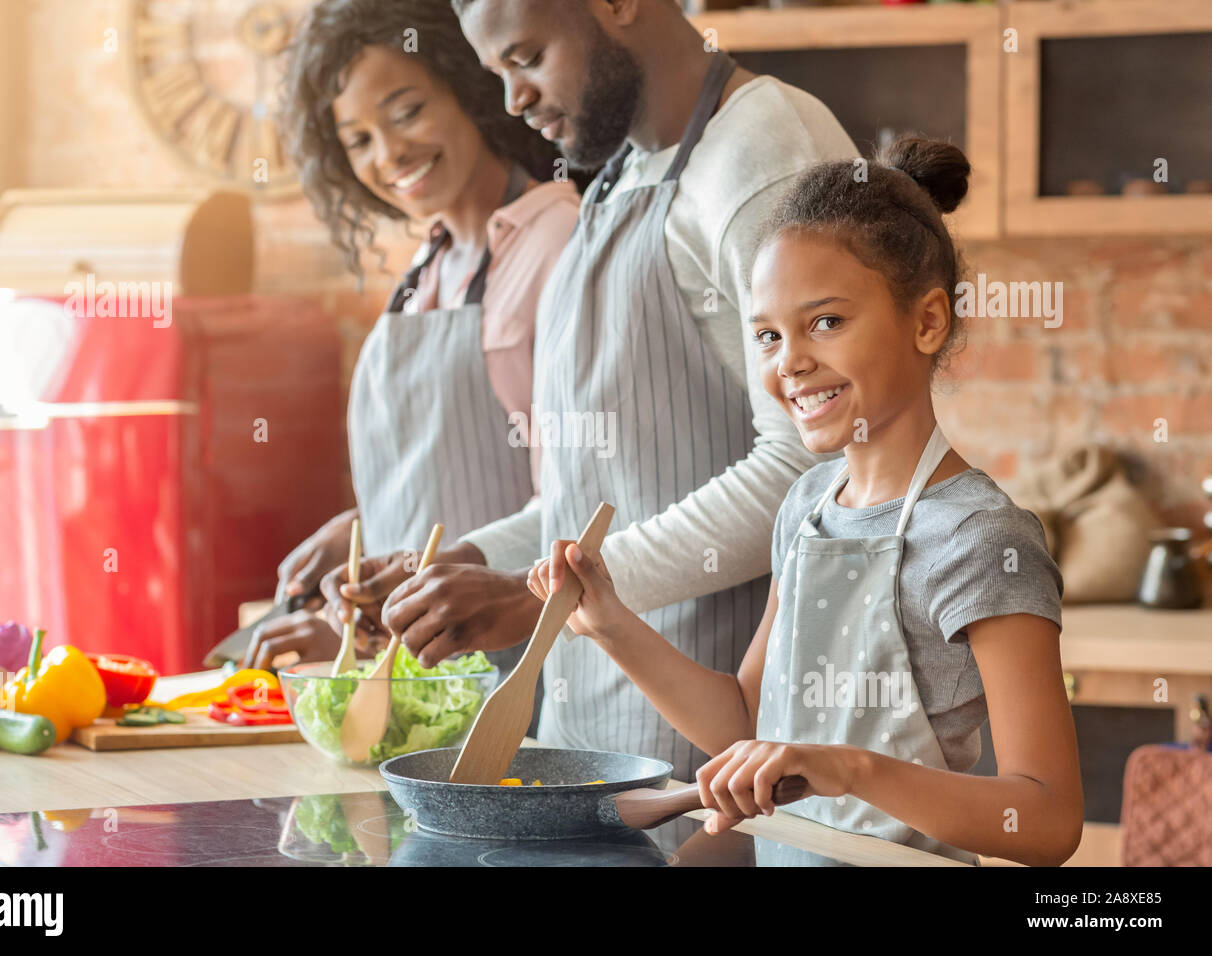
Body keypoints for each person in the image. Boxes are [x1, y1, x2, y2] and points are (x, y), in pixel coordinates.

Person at [324, 0, 859, 783]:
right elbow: (593, 495)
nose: (513, 101)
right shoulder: (616, 180)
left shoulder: (765, 155)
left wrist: (535, 595)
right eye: (497, 72)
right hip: (600, 730)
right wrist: (469, 564)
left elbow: (815, 471)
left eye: (527, 58)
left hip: (733, 747)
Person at [529, 137, 1084, 867]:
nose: (788, 361)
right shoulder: (809, 506)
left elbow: (1046, 819)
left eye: (826, 322)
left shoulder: (980, 537)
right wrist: (608, 624)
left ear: (928, 322)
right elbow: (747, 721)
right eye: (766, 334)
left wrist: (849, 768)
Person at [242, 0, 579, 695]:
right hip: (422, 676)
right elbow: (463, 471)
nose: (388, 154)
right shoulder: (428, 267)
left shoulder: (556, 238)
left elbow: (581, 492)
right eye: (358, 138)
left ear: (470, 86)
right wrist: (363, 531)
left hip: (527, 680)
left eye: (405, 112)